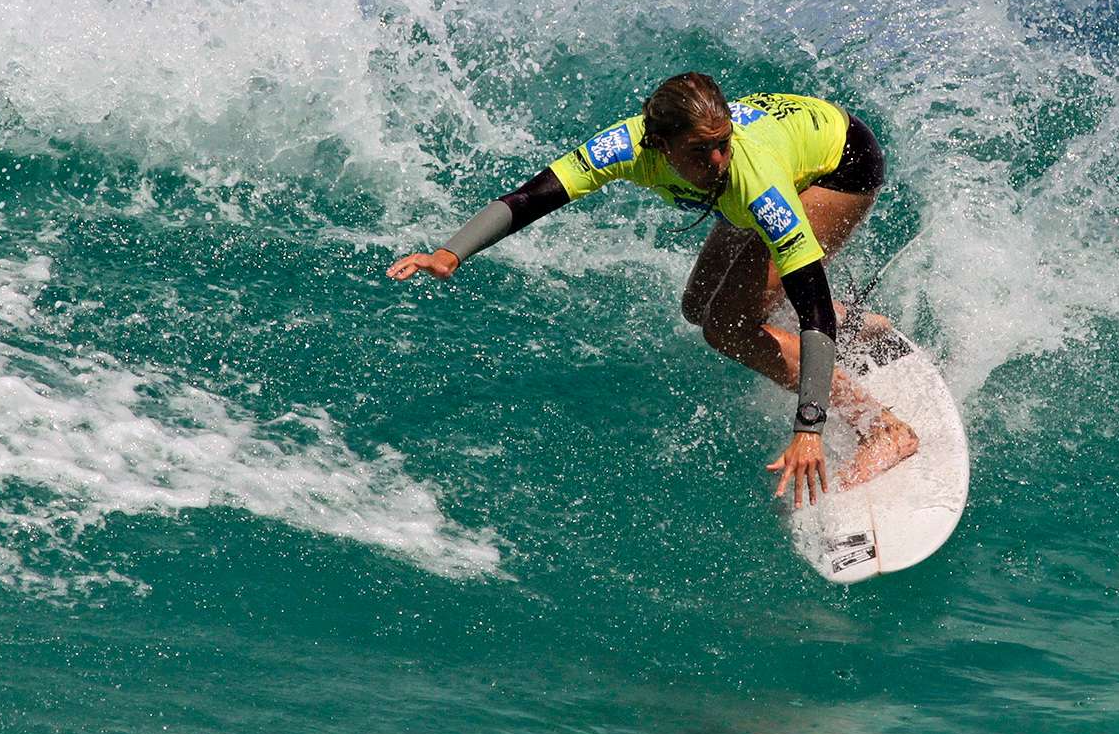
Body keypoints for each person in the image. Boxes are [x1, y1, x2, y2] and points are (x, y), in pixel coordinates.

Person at [387, 73, 919, 507]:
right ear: (659, 145)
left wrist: (809, 428)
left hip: (839, 167)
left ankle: (883, 428)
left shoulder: (751, 181)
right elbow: (533, 197)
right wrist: (451, 253)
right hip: (786, 156)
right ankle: (860, 327)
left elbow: (811, 309)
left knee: (728, 327)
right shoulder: (626, 147)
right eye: (701, 150)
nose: (717, 160)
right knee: (699, 305)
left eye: (723, 144)